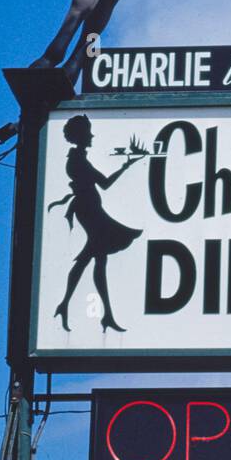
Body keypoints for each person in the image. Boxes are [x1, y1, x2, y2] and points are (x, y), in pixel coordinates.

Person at [48, 114, 144, 333]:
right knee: (91, 257)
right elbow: (106, 184)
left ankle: (97, 313)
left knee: (94, 259)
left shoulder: (78, 159)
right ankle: (89, 311)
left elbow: (100, 184)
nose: (92, 136)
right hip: (89, 211)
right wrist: (126, 166)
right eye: (88, 132)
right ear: (80, 136)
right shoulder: (78, 161)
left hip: (91, 209)